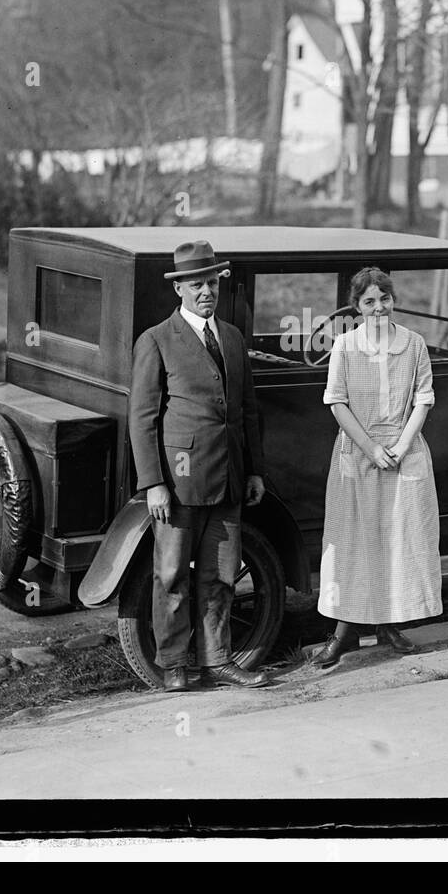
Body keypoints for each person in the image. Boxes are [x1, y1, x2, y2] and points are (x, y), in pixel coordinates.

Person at [129, 239, 270, 692]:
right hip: (178, 483)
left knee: (221, 577)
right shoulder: (155, 341)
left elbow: (248, 410)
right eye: (196, 284)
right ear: (180, 290)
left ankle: (218, 661)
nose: (206, 291)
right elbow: (143, 417)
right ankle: (173, 666)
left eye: (211, 281)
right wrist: (153, 483)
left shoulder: (231, 337)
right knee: (171, 576)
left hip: (228, 481)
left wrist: (253, 471)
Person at [310, 267, 443, 668]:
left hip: (405, 455)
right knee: (353, 543)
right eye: (369, 301)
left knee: (398, 542)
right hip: (358, 455)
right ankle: (344, 634)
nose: (379, 307)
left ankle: (389, 625)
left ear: (393, 300)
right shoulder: (346, 346)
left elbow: (423, 398)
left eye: (384, 298)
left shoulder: (414, 344)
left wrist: (401, 446)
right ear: (357, 307)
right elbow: (336, 401)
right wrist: (370, 447)